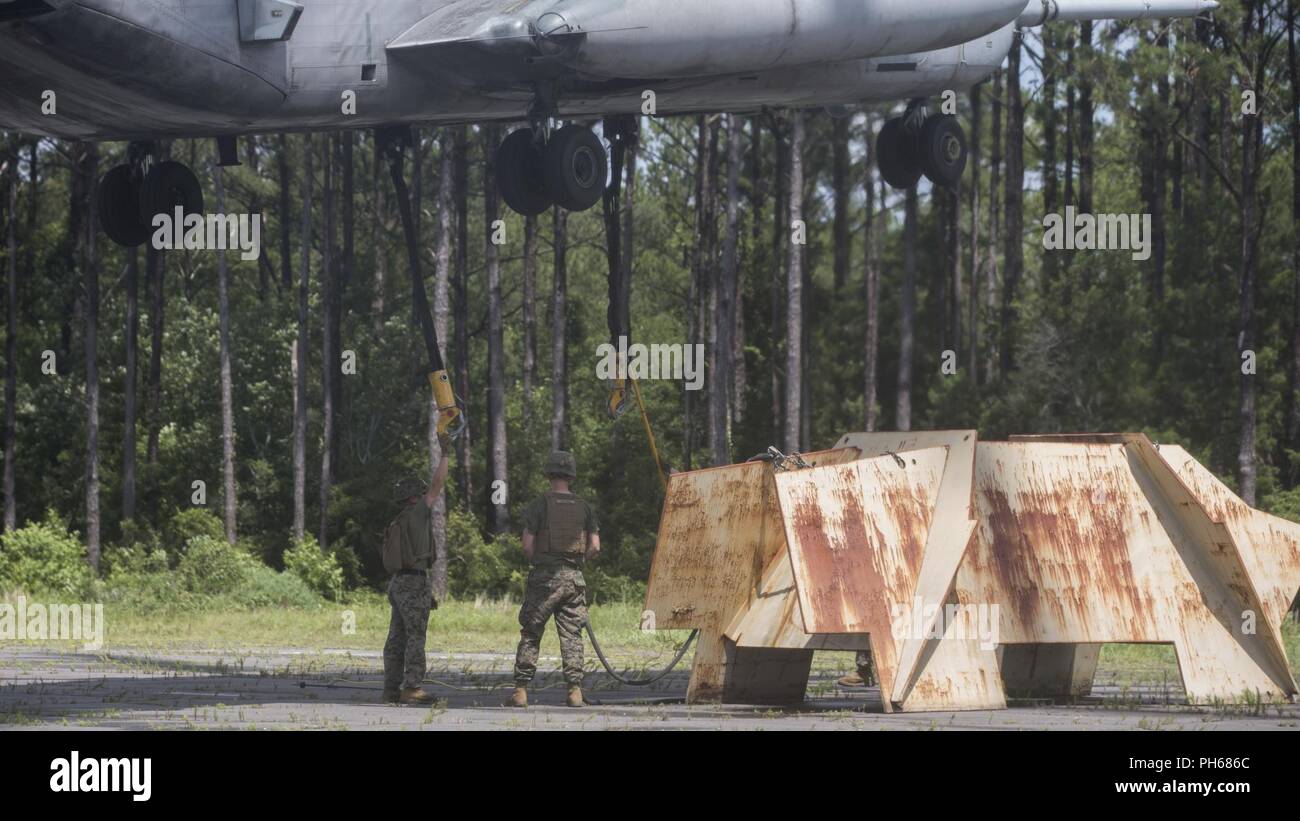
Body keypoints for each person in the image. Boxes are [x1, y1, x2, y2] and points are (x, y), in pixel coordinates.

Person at [509, 450, 600, 709]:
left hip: (544, 578)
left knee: (531, 632)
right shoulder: (585, 507)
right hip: (574, 580)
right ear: (571, 475)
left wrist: (540, 562)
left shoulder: (539, 505)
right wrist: (577, 563)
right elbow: (595, 546)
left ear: (549, 473)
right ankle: (574, 692)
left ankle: (521, 691)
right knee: (572, 634)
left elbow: (527, 546)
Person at [382, 434, 450, 705]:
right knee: (415, 636)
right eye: (421, 494)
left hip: (397, 583)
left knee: (396, 637)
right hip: (413, 582)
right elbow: (437, 486)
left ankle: (390, 689)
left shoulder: (399, 519)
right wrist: (445, 455)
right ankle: (412, 687)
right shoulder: (417, 513)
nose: (426, 497)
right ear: (414, 497)